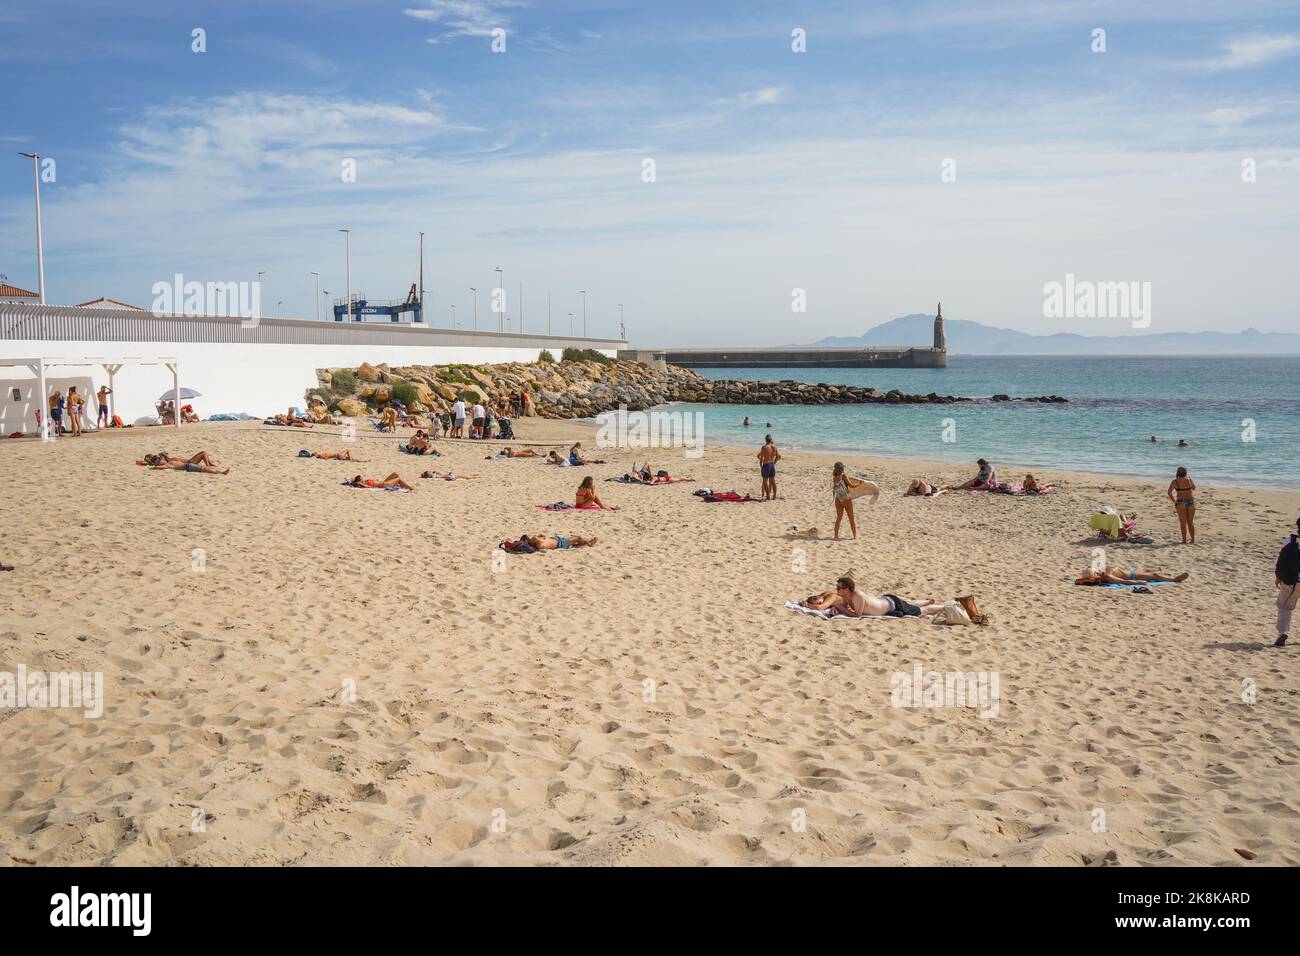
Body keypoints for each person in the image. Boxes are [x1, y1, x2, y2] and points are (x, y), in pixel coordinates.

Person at [800, 577, 944, 618]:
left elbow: (857, 615)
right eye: (836, 587)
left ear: (847, 589)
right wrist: (838, 609)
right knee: (913, 603)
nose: (836, 590)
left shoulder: (857, 595)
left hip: (893, 605)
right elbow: (846, 607)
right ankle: (930, 601)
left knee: (922, 611)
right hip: (886, 601)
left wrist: (838, 607)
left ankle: (944, 606)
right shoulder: (844, 597)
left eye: (839, 588)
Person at [831, 462, 879, 540]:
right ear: (842, 468)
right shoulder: (843, 476)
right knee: (851, 518)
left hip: (838, 499)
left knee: (839, 518)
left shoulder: (834, 478)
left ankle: (836, 536)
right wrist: (859, 483)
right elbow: (851, 485)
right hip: (846, 499)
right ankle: (854, 536)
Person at [1273, 518, 1299, 648]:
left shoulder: (1290, 540)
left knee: (1285, 607)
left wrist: (1278, 576)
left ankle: (1282, 633)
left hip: (1290, 580)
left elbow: (1281, 560)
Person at [1078, 563, 1189, 585]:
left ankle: (1165, 575)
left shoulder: (1101, 572)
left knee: (1150, 571)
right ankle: (1174, 579)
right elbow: (1122, 581)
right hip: (1132, 575)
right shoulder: (1106, 576)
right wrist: (1138, 582)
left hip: (1130, 570)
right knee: (1154, 575)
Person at [1167, 466, 1196, 544]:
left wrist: (1174, 501)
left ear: (1177, 473)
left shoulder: (1175, 481)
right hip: (1191, 502)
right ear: (1186, 472)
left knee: (1183, 522)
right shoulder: (1189, 479)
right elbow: (1194, 488)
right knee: (1190, 522)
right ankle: (1193, 540)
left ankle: (1184, 540)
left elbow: (1169, 492)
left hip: (1180, 502)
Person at [152, 451, 228, 475]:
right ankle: (221, 473)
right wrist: (156, 465)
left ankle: (219, 472)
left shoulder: (170, 461)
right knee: (204, 469)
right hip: (188, 466)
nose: (167, 456)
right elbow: (157, 467)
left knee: (204, 468)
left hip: (188, 465)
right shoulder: (167, 465)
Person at [757, 434, 781, 500]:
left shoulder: (764, 447)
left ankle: (768, 497)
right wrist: (774, 463)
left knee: (765, 481)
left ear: (765, 440)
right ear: (771, 440)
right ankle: (774, 496)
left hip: (766, 465)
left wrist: (761, 465)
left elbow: (761, 458)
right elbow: (777, 456)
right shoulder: (774, 447)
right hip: (772, 465)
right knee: (773, 481)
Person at [526, 533, 598, 550]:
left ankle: (584, 543)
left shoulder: (539, 542)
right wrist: (538, 537)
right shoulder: (540, 545)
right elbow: (535, 538)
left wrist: (541, 536)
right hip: (561, 543)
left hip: (558, 539)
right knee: (578, 538)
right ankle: (589, 542)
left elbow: (536, 537)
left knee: (576, 538)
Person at [348, 472, 414, 490]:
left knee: (395, 474)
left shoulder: (365, 481)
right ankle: (410, 488)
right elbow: (368, 487)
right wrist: (359, 483)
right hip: (383, 485)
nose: (363, 478)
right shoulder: (363, 484)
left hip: (383, 482)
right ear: (360, 480)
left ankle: (403, 486)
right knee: (398, 479)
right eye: (361, 478)